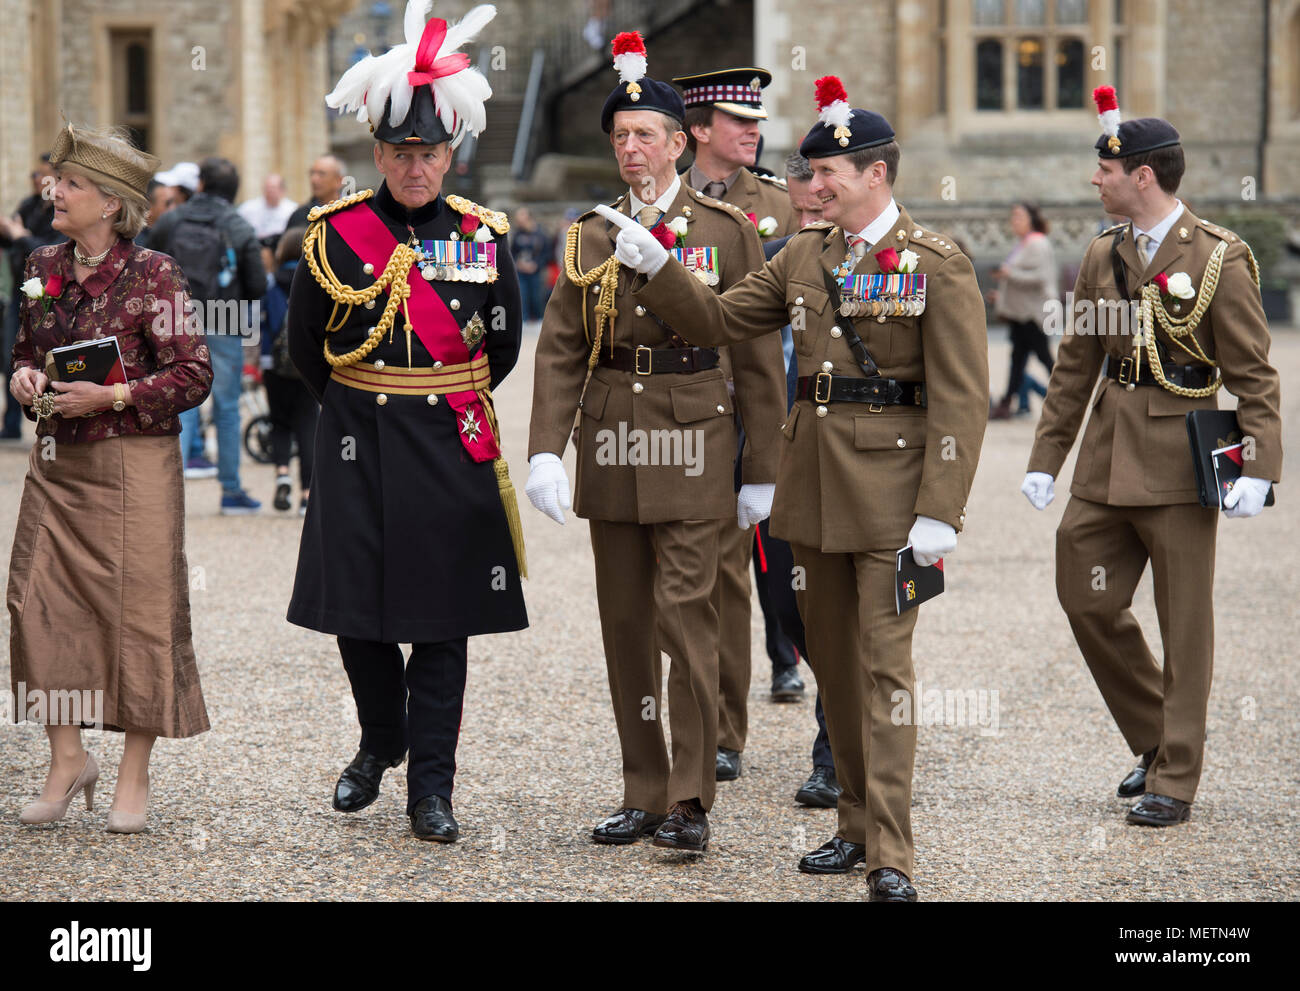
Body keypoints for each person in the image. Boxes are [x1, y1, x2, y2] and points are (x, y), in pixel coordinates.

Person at [609, 76, 989, 899]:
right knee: (836, 671)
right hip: (812, 500)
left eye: (828, 175)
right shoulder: (801, 256)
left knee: (887, 670)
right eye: (808, 173)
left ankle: (891, 851)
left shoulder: (939, 264)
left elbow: (963, 396)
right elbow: (716, 323)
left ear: (876, 175)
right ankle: (853, 822)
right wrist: (662, 269)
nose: (810, 189)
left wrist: (940, 511)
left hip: (895, 504)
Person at [525, 31, 785, 854]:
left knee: (687, 621)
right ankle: (642, 788)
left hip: (696, 442)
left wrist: (761, 467)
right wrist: (544, 449)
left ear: (681, 143)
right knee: (626, 626)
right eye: (620, 136)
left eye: (647, 135)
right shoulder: (587, 235)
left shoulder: (726, 228)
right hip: (613, 443)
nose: (631, 148)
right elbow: (564, 346)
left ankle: (690, 795)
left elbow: (753, 352)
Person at [288, 0, 528, 843]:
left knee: (442, 625)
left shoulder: (482, 236)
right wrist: (363, 407)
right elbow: (302, 350)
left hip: (446, 447)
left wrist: (437, 397)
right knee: (355, 615)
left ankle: (432, 788)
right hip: (354, 443)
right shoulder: (333, 233)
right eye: (399, 152)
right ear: (378, 153)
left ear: (449, 153)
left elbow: (500, 346)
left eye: (427, 152)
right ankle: (379, 737)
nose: (414, 166)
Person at [1021, 87, 1283, 828]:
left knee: (1184, 620)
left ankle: (1177, 776)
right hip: (1106, 455)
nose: (1093, 181)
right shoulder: (1103, 252)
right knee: (1086, 594)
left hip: (1180, 454)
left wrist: (1258, 467)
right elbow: (1075, 363)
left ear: (1142, 175)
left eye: (1104, 170)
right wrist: (1047, 455)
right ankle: (1156, 737)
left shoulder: (1219, 257)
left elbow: (1254, 374)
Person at [7, 122, 213, 833]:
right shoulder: (39, 263)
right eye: (56, 180)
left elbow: (194, 373)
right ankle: (68, 760)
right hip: (58, 466)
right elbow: (25, 351)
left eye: (70, 183)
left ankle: (133, 770)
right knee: (39, 606)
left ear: (111, 203)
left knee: (141, 617)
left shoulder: (156, 273)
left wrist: (115, 395)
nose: (53, 191)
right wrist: (25, 376)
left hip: (136, 465)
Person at [672, 65, 799, 784]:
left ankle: (735, 727)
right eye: (738, 122)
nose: (754, 132)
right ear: (697, 131)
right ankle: (710, 725)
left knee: (757, 575)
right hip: (682, 414)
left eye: (756, 122)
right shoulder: (669, 201)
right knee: (701, 579)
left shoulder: (779, 208)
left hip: (759, 413)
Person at [754, 150, 841, 814]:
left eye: (820, 199)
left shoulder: (893, 259)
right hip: (779, 468)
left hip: (857, 469)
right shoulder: (776, 258)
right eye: (800, 203)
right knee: (787, 605)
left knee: (861, 618)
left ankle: (836, 755)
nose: (810, 211)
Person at [149, 156, 268, 513]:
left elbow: (151, 265)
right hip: (226, 320)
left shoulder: (172, 220)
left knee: (180, 405)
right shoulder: (239, 226)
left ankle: (172, 494)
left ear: (200, 184)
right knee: (228, 407)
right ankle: (231, 492)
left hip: (176, 318)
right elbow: (258, 284)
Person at [1, 154, 63, 439]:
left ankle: (53, 420)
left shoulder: (60, 210)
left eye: (42, 175)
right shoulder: (30, 204)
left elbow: (53, 250)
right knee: (13, 353)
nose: (37, 180)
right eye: (34, 175)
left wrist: (20, 235)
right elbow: (13, 237)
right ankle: (12, 422)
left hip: (50, 294)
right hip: (21, 290)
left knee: (48, 357)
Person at [259, 225, 316, 514]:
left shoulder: (271, 283)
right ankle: (307, 494)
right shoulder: (317, 279)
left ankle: (282, 472)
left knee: (280, 422)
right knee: (308, 425)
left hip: (275, 364)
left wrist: (262, 359)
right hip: (306, 363)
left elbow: (262, 323)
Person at [989, 202, 1056, 419]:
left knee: (1043, 358)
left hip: (1032, 314)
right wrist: (1002, 295)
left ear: (1031, 218)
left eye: (1019, 216)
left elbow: (1040, 278)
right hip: (1021, 314)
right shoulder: (1024, 243)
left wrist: (1008, 274)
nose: (1014, 221)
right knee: (1018, 359)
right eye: (1013, 216)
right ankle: (1006, 403)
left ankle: (1067, 395)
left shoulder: (1037, 243)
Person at [510, 207, 550, 321]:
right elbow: (512, 252)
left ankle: (539, 321)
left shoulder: (541, 234)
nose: (519, 223)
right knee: (522, 297)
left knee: (536, 298)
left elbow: (547, 253)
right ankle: (524, 321)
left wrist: (536, 265)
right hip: (521, 271)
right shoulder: (518, 234)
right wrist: (517, 263)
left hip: (536, 272)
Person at [285, 155, 345, 231]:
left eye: (321, 174)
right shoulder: (300, 216)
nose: (314, 179)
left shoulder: (351, 213)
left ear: (339, 181)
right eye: (312, 173)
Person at [238, 173, 298, 241]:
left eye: (273, 188)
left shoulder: (292, 210)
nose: (269, 191)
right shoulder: (248, 208)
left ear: (282, 190)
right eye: (267, 188)